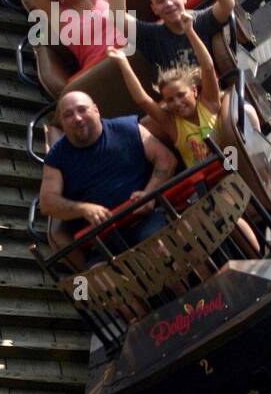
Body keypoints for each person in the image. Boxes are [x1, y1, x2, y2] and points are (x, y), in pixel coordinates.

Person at [108, 25, 260, 253]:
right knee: (190, 227)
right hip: (206, 188)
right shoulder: (173, 125)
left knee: (228, 210)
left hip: (230, 172)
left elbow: (207, 67)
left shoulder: (209, 104)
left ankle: (256, 253)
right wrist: (122, 62)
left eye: (181, 95)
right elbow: (143, 100)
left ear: (194, 91)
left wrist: (189, 30)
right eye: (170, 100)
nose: (177, 103)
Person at [40, 90, 177, 269]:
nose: (77, 118)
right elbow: (47, 202)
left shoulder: (127, 128)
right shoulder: (56, 157)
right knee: (100, 279)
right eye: (68, 115)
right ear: (62, 123)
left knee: (160, 248)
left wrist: (149, 193)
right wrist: (83, 209)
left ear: (96, 110)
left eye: (82, 110)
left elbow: (166, 159)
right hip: (103, 241)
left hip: (145, 219)